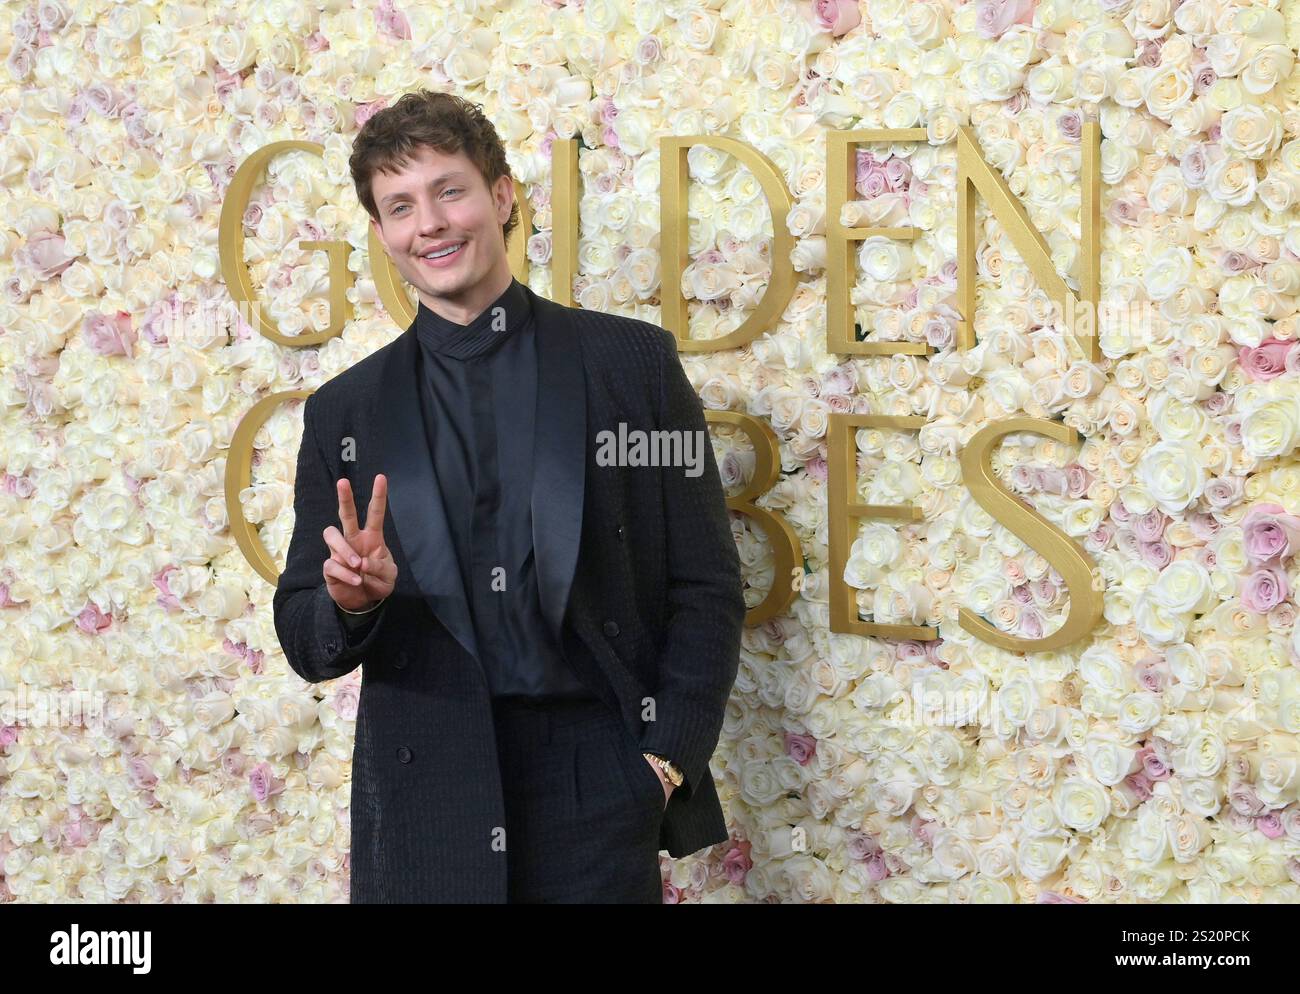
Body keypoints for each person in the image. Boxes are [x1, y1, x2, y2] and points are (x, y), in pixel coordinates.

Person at [272, 89, 746, 903]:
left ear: (501, 195)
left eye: (449, 190)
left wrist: (663, 763)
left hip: (594, 789)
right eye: (400, 206)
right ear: (383, 235)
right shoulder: (344, 410)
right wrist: (351, 605)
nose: (430, 223)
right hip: (423, 798)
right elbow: (306, 633)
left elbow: (706, 585)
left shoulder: (630, 365)